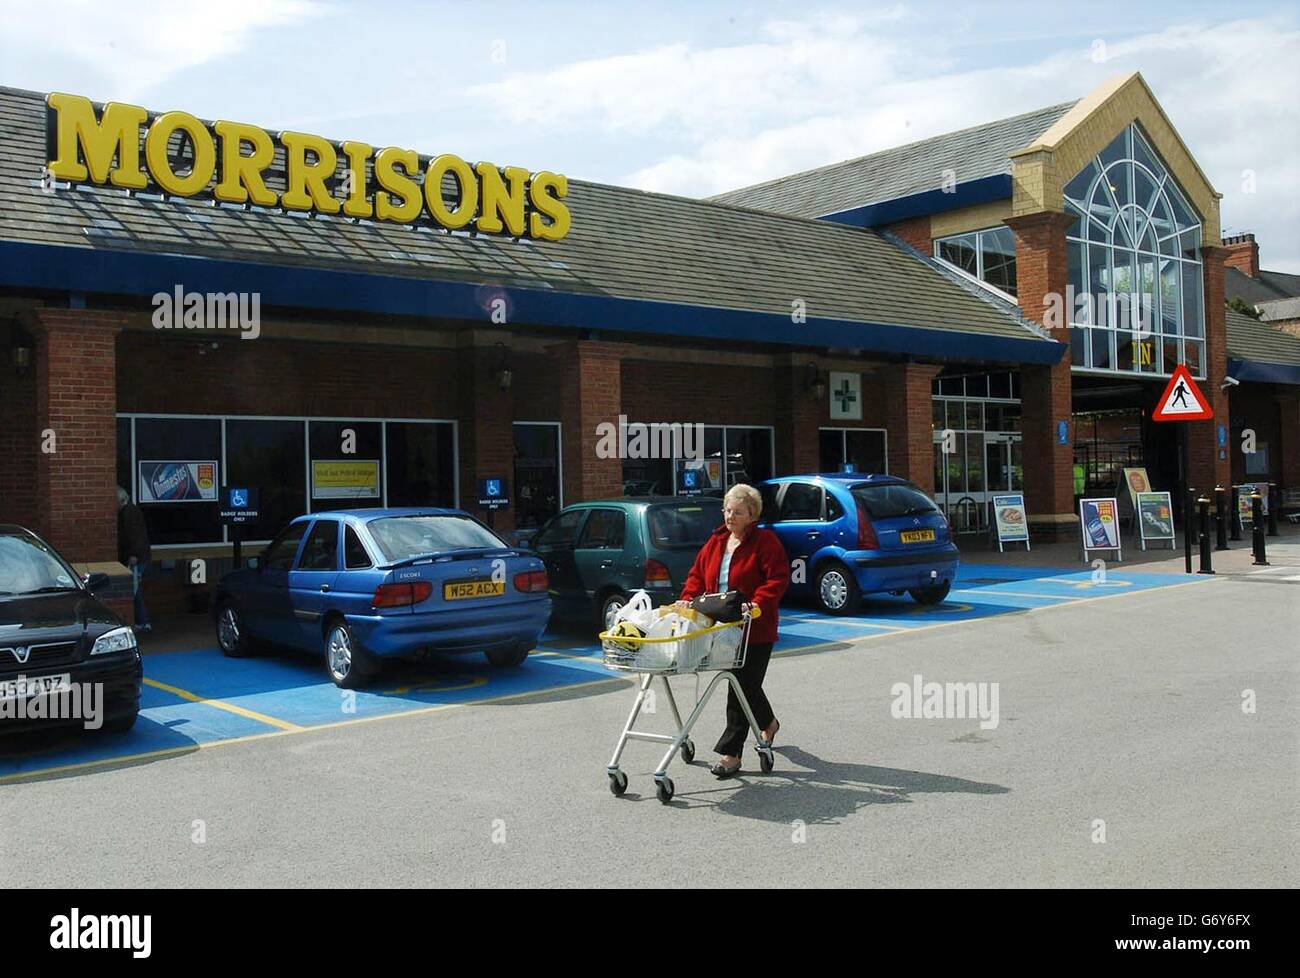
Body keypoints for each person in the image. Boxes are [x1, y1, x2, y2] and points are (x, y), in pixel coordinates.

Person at [677, 483, 790, 778]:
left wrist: (756, 605)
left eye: (737, 512)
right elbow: (697, 576)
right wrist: (687, 600)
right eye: (727, 510)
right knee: (745, 684)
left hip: (755, 627)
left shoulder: (766, 542)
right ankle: (769, 723)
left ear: (752, 514)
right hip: (723, 629)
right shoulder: (716, 542)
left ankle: (731, 754)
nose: (729, 516)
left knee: (739, 687)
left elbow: (777, 580)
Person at [116, 486, 152, 633]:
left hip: (136, 557)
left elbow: (134, 535)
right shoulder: (131, 511)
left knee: (133, 590)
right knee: (134, 590)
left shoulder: (129, 513)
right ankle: (141, 620)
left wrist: (133, 554)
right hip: (139, 555)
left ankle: (142, 621)